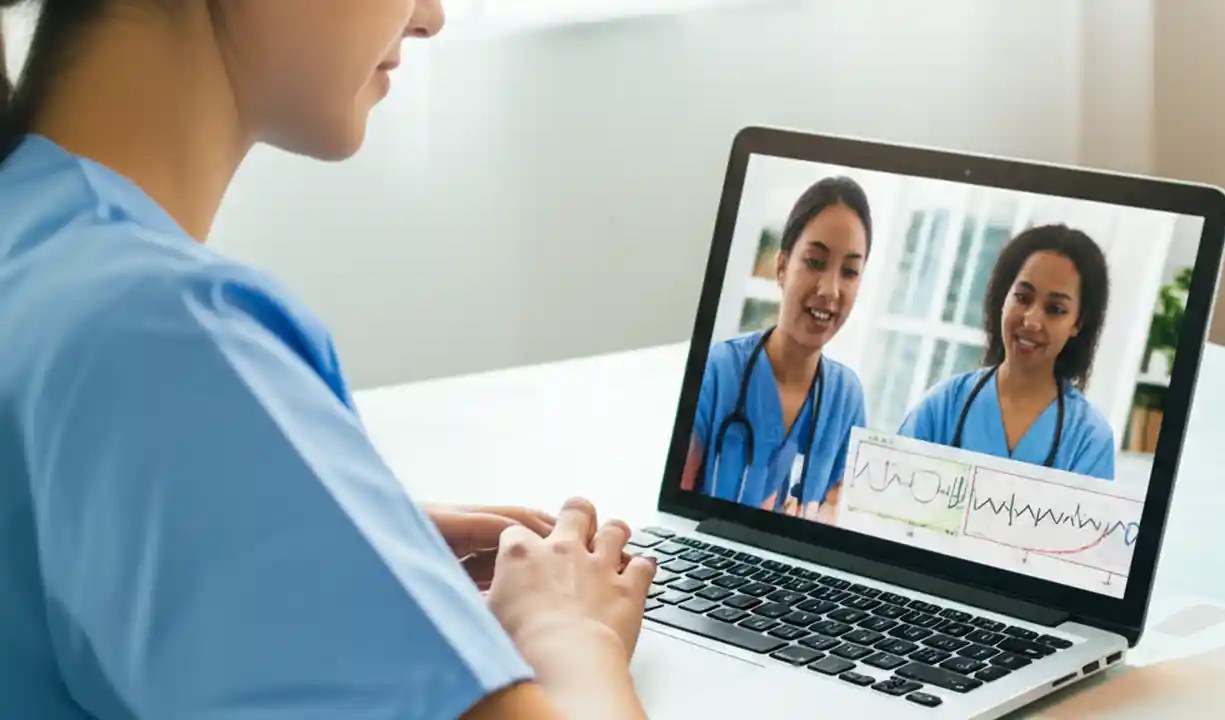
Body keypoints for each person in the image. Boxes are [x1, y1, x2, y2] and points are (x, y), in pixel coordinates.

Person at [0, 2, 655, 719]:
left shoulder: (35, 238)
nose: (431, 16)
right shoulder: (159, 336)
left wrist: (296, 534)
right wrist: (567, 629)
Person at [680, 176, 872, 523]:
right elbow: (678, 513)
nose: (830, 289)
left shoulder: (847, 399)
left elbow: (840, 525)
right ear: (782, 267)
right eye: (815, 262)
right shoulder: (717, 371)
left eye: (849, 272)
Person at [897, 224, 1117, 480]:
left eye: (1055, 309)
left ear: (1078, 323)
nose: (1032, 321)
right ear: (1004, 297)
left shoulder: (1089, 440)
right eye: (1023, 297)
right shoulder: (942, 406)